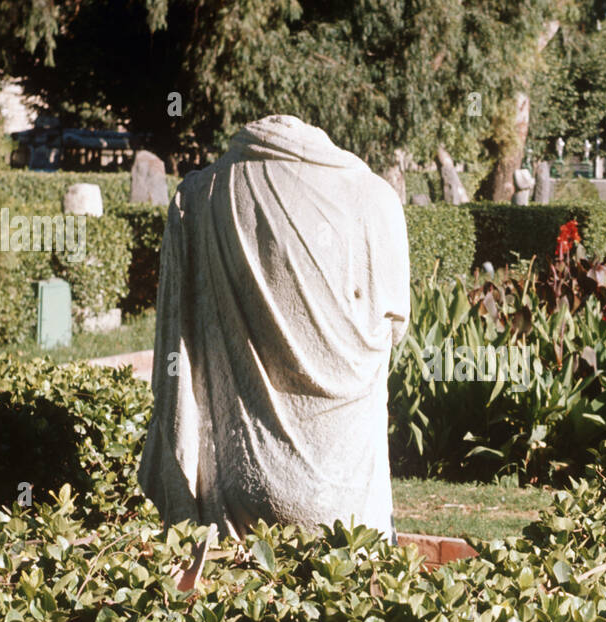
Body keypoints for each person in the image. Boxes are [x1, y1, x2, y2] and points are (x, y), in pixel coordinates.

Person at [138, 115, 410, 541]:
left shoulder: (198, 195)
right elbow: (394, 329)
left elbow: (179, 334)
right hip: (347, 496)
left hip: (236, 483)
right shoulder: (375, 198)